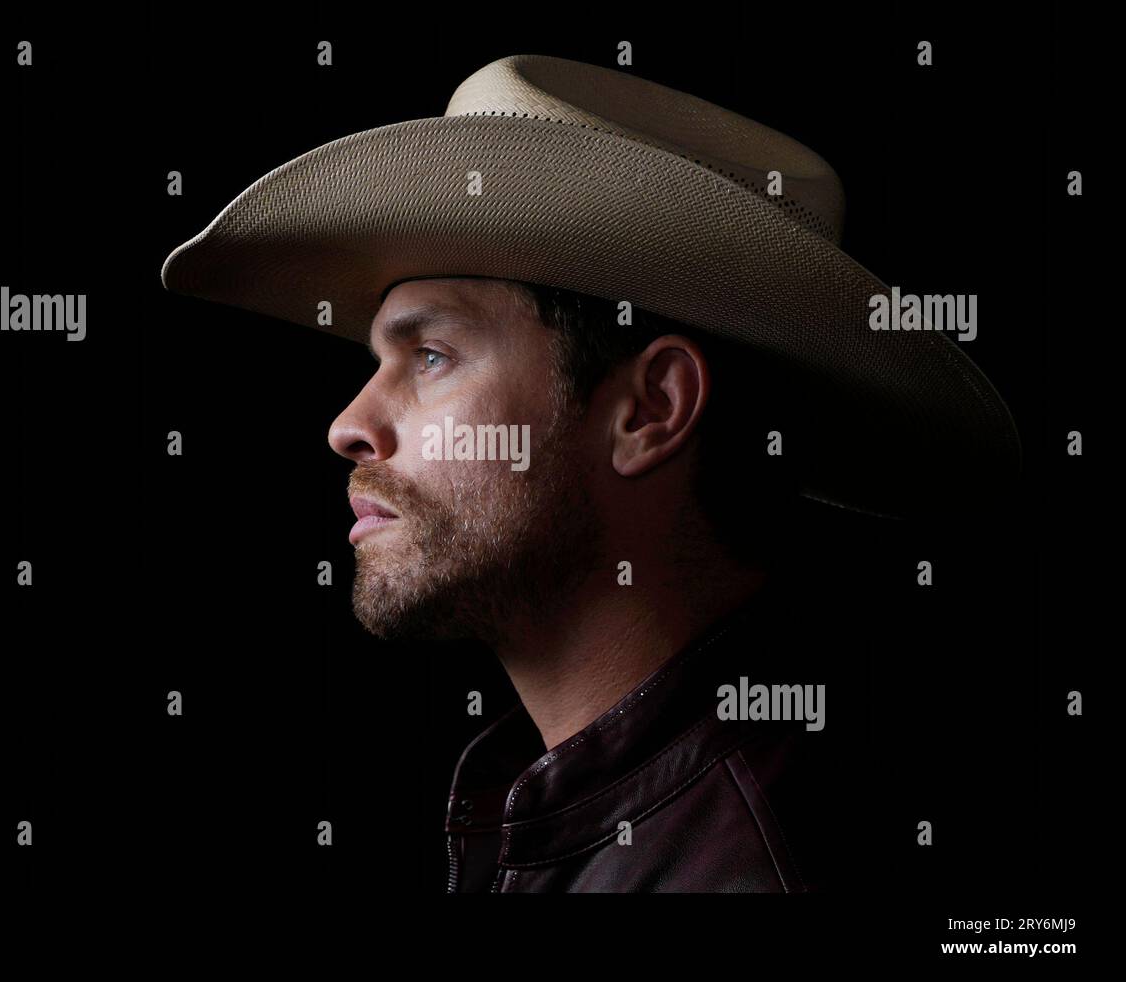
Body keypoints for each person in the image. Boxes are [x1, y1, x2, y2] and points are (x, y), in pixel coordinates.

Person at [161, 54, 1020, 891]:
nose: (349, 426)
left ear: (649, 410)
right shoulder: (602, 796)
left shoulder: (754, 860)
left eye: (429, 355)